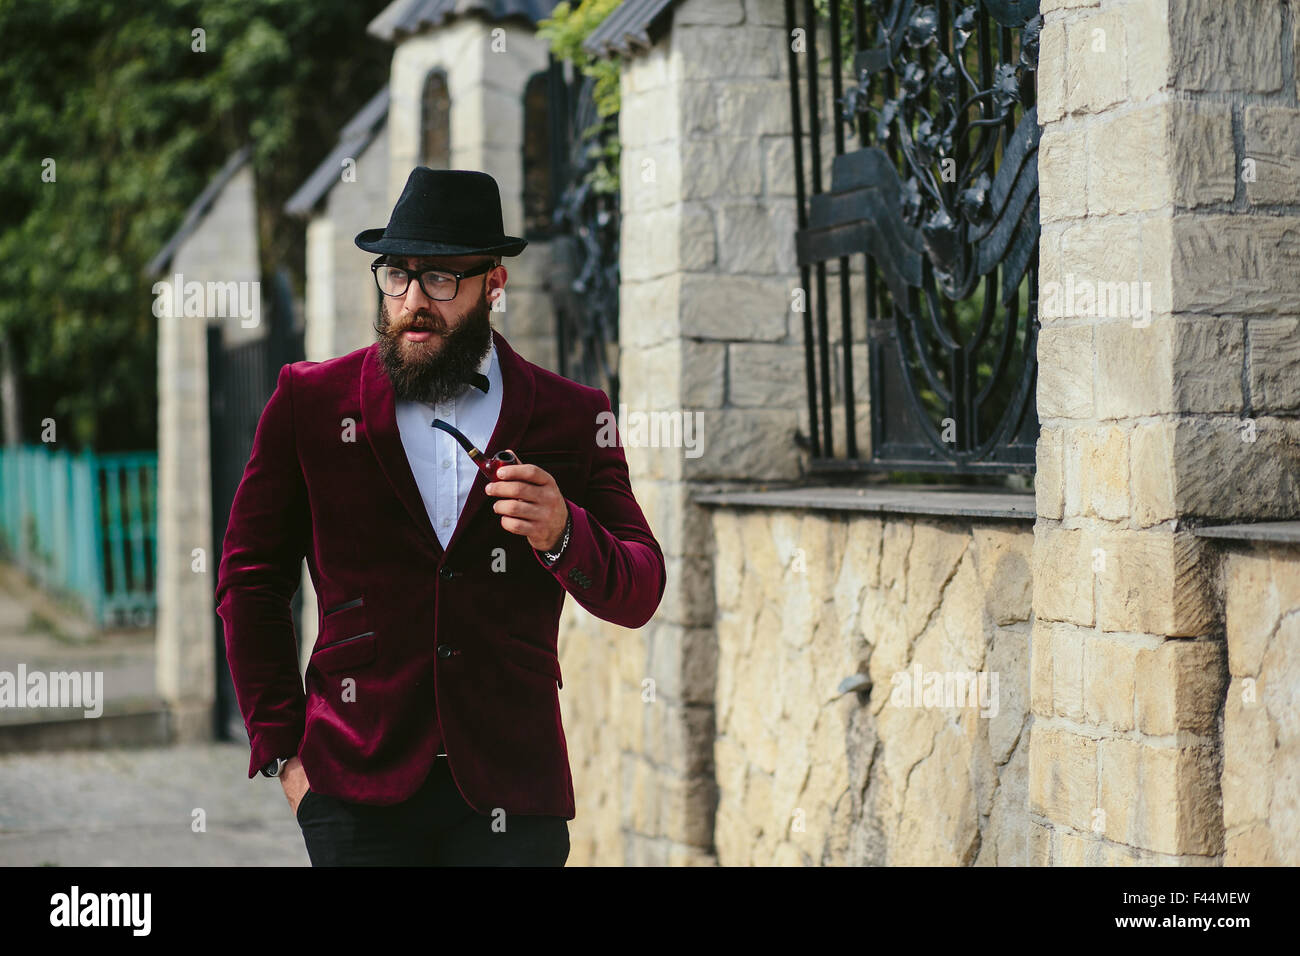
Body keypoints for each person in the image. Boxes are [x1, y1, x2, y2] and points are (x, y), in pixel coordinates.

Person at [215, 167, 666, 865]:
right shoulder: (309, 402)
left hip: (512, 793)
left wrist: (566, 533)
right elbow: (249, 580)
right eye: (397, 276)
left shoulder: (574, 416)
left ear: (494, 283)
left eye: (441, 280)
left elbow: (640, 587)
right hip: (354, 789)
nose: (413, 301)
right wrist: (283, 754)